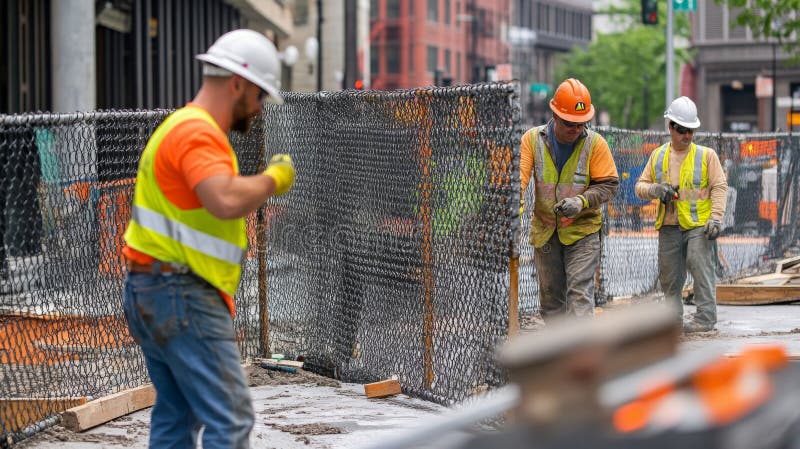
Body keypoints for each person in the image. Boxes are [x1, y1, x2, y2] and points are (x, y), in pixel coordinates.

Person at [121, 29, 295, 448]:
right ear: (239, 83)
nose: (258, 109)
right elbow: (223, 198)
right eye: (259, 96)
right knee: (230, 418)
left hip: (157, 289)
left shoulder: (180, 127)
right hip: (181, 293)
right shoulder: (198, 133)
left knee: (177, 415)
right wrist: (273, 179)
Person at [520, 78, 619, 321]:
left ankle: (581, 354)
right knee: (551, 301)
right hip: (546, 231)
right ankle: (559, 354)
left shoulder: (595, 144)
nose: (576, 129)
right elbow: (517, 184)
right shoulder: (532, 140)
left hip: (582, 232)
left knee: (579, 295)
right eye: (569, 124)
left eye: (581, 123)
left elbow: (609, 184)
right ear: (555, 115)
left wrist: (582, 202)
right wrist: (511, 213)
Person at [635, 96, 727, 333]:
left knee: (700, 266)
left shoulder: (706, 156)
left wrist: (716, 217)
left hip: (699, 225)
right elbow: (640, 186)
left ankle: (705, 319)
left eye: (691, 131)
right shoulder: (658, 156)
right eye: (683, 130)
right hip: (669, 225)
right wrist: (656, 189)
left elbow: (719, 186)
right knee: (670, 277)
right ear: (671, 128)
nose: (687, 135)